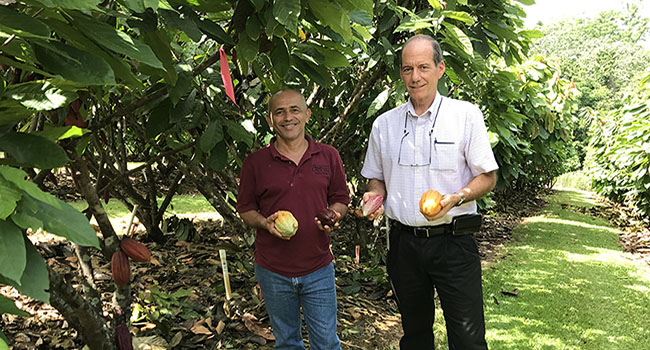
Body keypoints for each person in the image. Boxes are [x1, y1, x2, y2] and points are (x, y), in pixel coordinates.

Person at [361, 34, 498, 349]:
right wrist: (375, 196)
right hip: (404, 244)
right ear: (401, 74)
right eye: (407, 69)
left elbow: (487, 177)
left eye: (423, 67)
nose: (415, 76)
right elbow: (376, 179)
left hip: (453, 243)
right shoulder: (384, 125)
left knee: (468, 338)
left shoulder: (465, 116)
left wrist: (457, 198)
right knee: (415, 336)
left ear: (440, 69)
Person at [236, 89, 350, 350]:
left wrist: (334, 215)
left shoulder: (328, 155)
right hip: (272, 269)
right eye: (280, 112)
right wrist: (265, 223)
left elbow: (340, 198)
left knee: (327, 343)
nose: (288, 117)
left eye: (295, 110)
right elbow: (245, 209)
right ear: (269, 120)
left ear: (307, 115)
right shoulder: (255, 162)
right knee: (287, 342)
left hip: (318, 267)